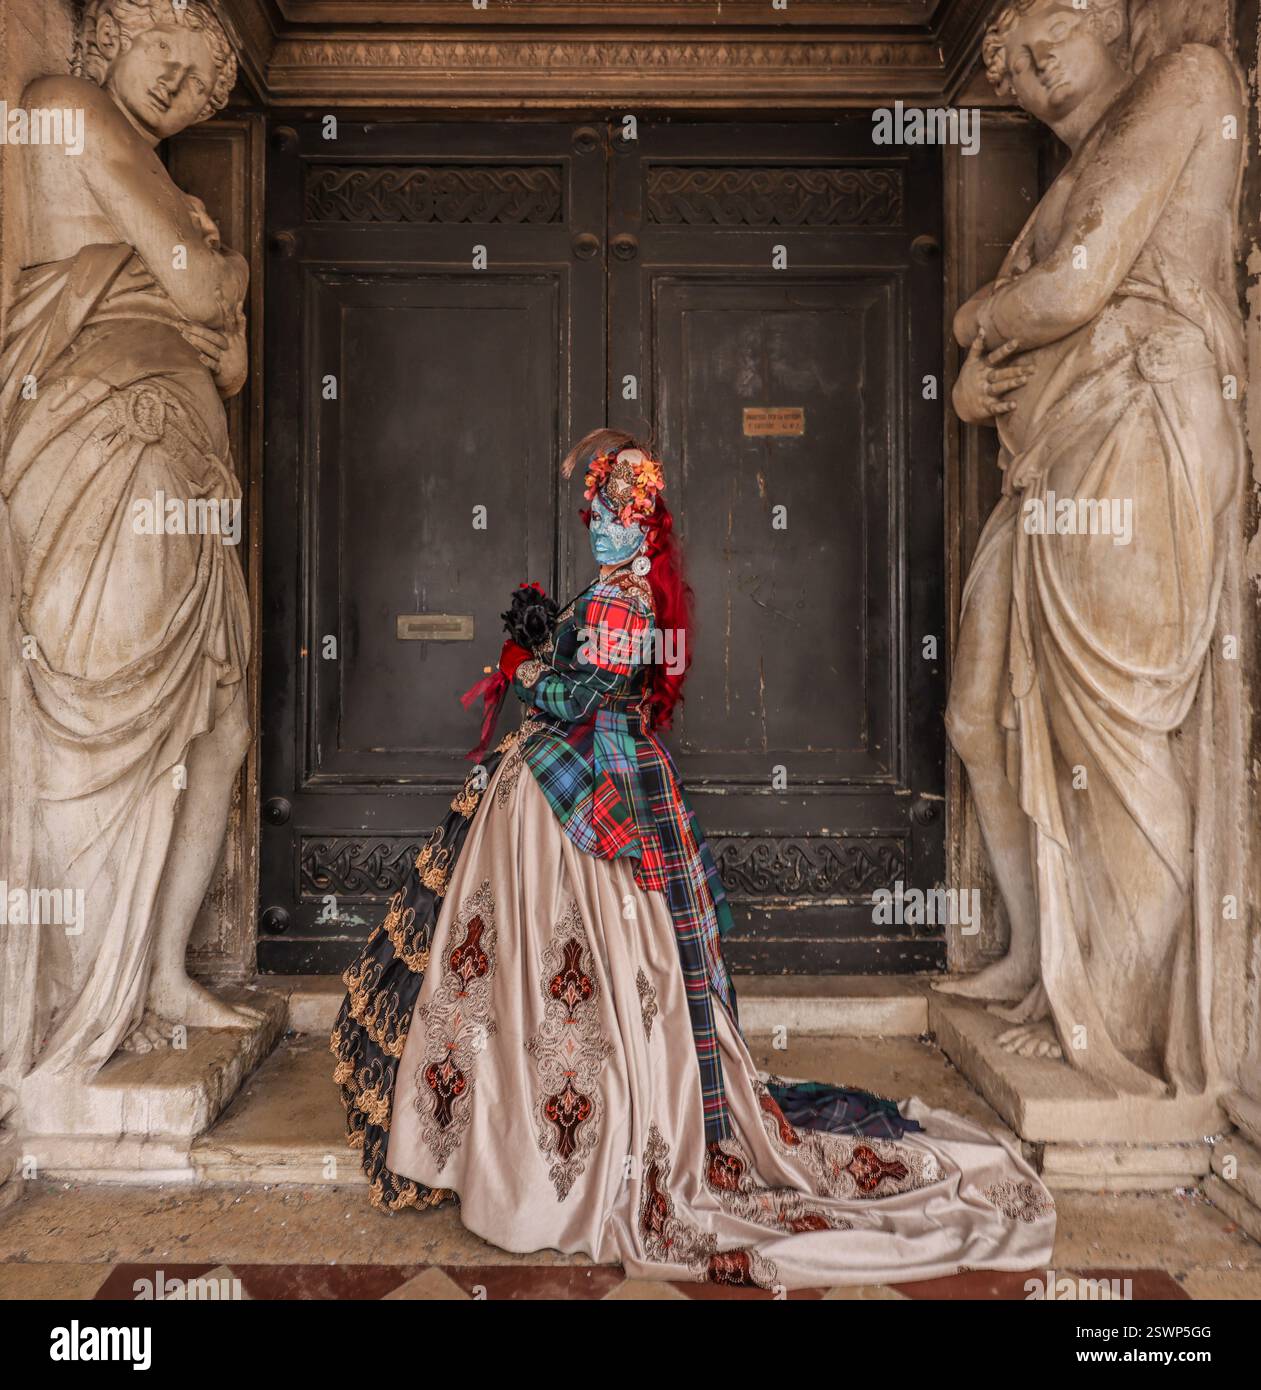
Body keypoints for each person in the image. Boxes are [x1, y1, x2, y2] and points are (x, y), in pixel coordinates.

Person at [331, 429, 1055, 1289]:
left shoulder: (628, 602)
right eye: (595, 514)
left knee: (587, 960)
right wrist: (543, 635)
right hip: (566, 783)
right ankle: (526, 1132)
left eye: (617, 516)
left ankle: (579, 1149)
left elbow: (587, 694)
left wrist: (528, 675)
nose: (601, 528)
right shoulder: (611, 590)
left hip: (596, 786)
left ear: (645, 527)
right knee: (537, 962)